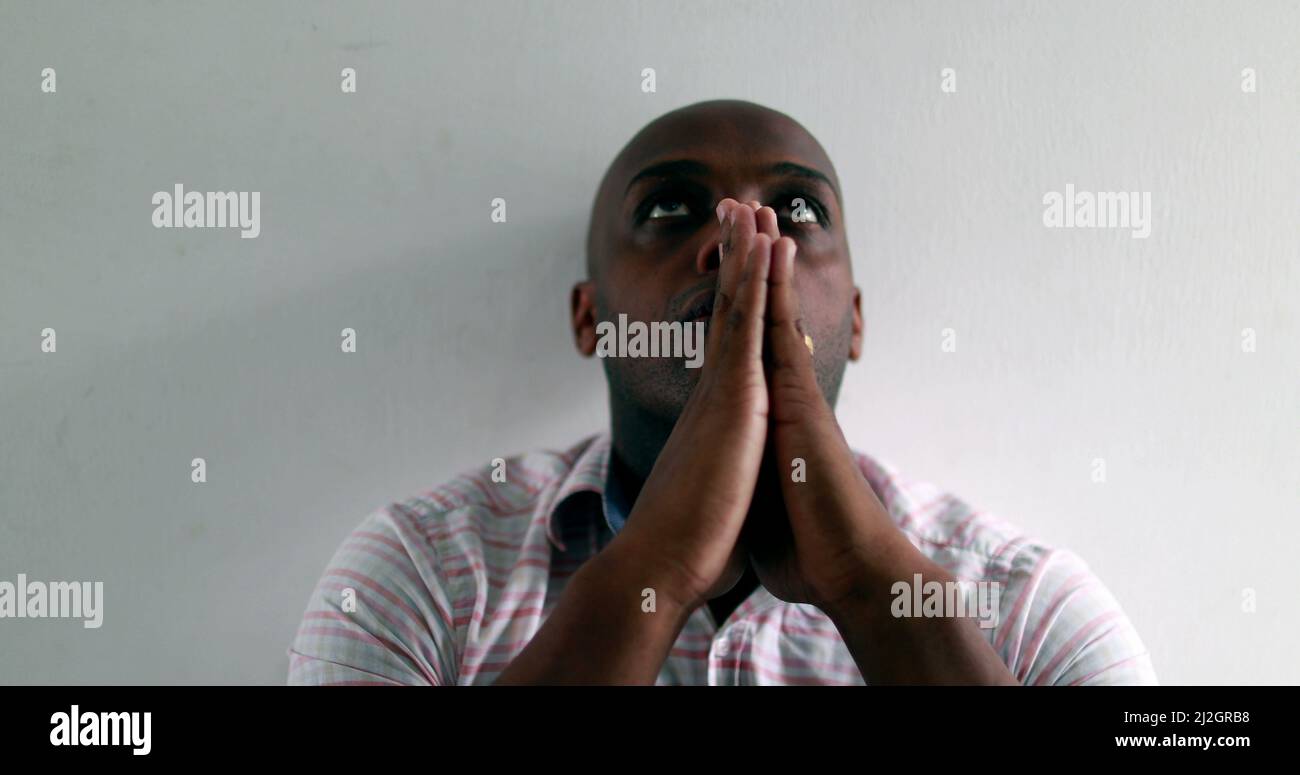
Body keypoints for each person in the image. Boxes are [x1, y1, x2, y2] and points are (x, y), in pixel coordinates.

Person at [287, 100, 1156, 685]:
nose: (745, 244)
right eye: (670, 208)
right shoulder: (420, 575)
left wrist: (866, 583)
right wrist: (651, 575)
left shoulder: (1024, 602)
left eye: (798, 213)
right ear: (591, 317)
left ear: (853, 319)